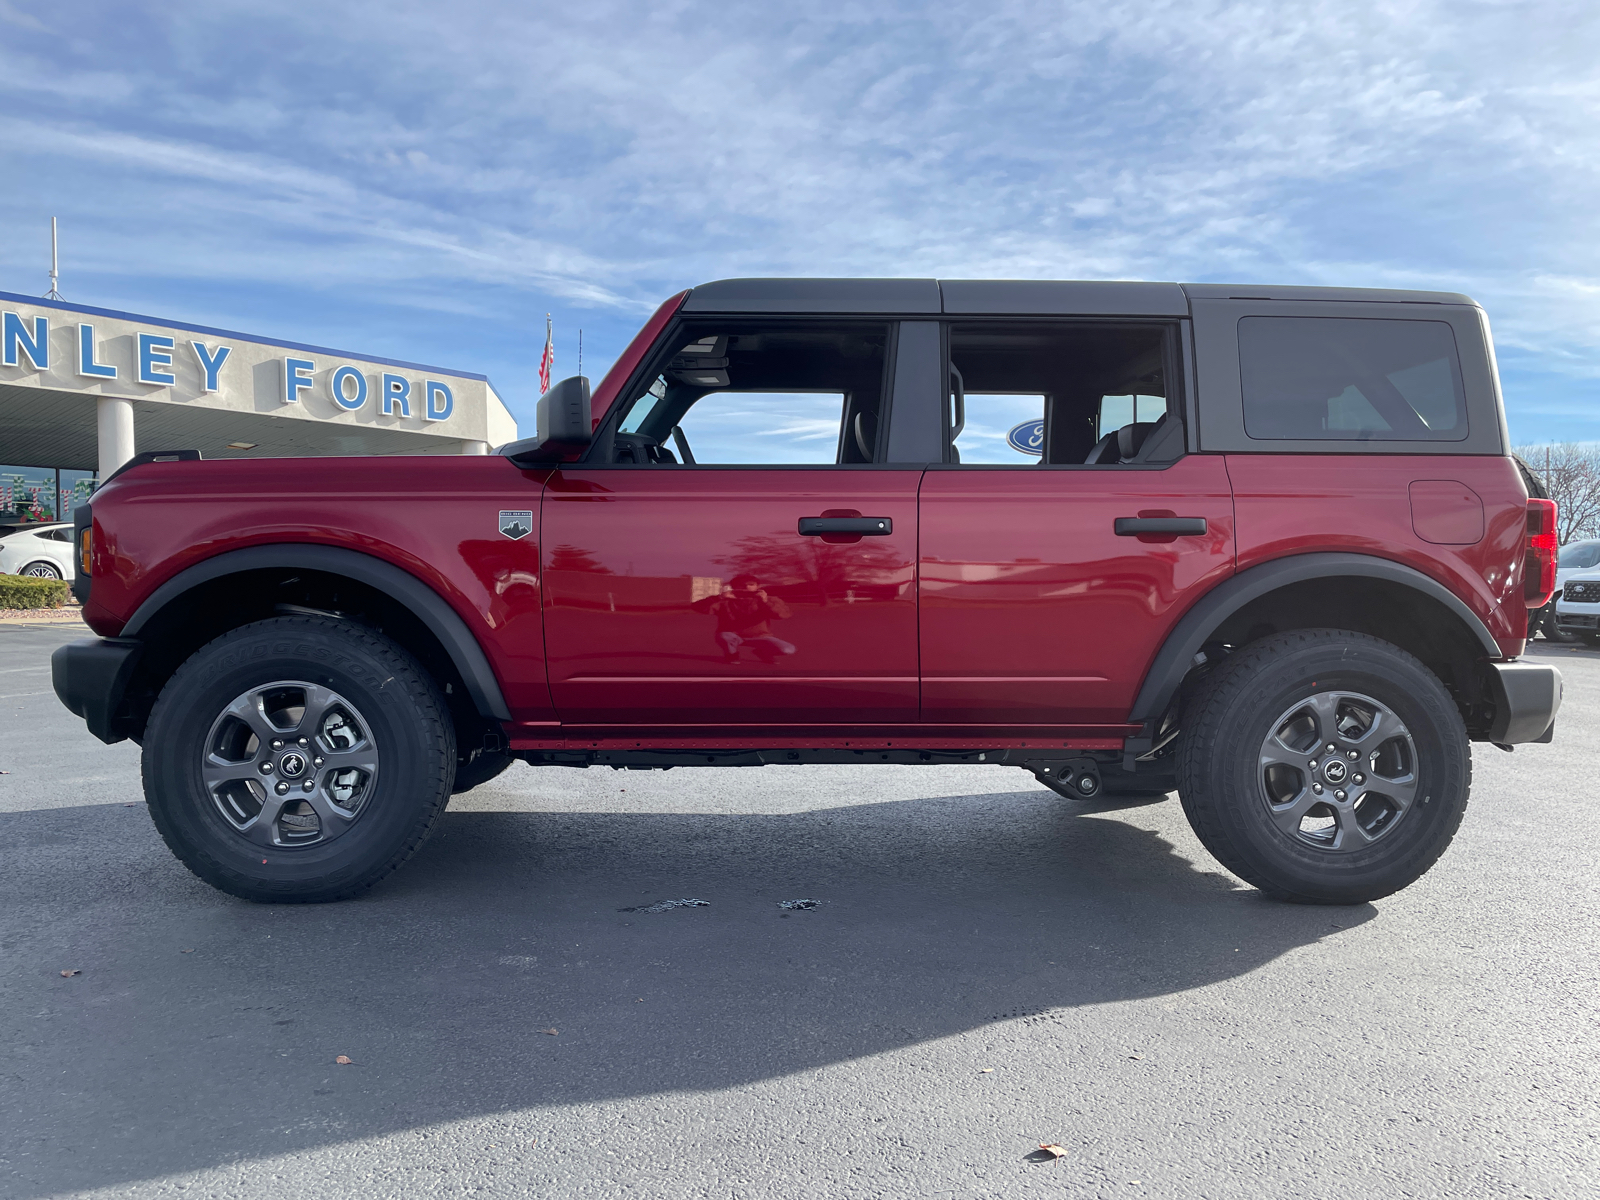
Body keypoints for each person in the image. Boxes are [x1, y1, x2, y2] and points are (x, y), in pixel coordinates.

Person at [692, 574, 795, 663]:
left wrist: (765, 601)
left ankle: (762, 652)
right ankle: (732, 654)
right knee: (724, 635)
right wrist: (719, 597)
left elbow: (783, 615)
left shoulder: (769, 599)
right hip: (732, 634)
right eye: (742, 585)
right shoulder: (724, 601)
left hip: (760, 636)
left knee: (788, 649)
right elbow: (696, 607)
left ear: (757, 586)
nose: (747, 587)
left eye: (751, 584)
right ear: (734, 587)